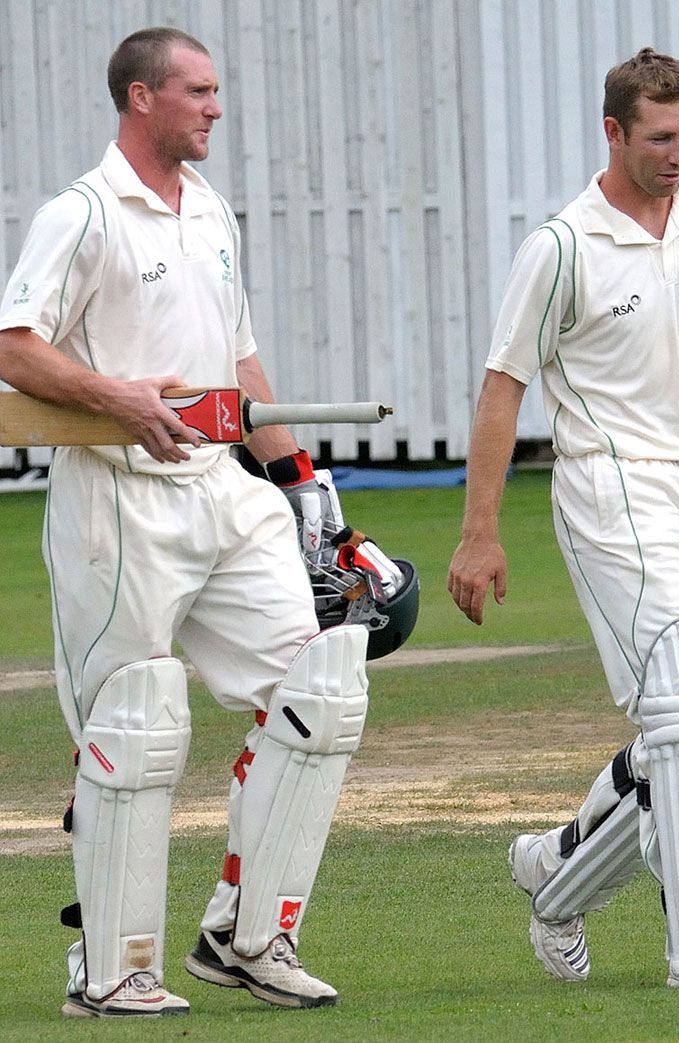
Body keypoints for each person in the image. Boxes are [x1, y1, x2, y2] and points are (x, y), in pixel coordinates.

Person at [0, 27, 369, 1017]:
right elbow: (13, 345)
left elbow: (241, 359)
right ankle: (110, 970)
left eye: (216, 90)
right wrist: (115, 396)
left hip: (223, 487)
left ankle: (245, 934)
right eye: (197, 91)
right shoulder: (81, 215)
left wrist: (301, 482)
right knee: (134, 723)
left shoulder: (208, 207)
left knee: (321, 689)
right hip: (118, 499)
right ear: (138, 98)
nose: (214, 107)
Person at [448, 47, 679, 989]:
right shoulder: (561, 247)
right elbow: (500, 387)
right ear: (613, 131)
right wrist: (481, 531)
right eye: (659, 137)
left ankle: (559, 869)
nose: (678, 153)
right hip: (613, 483)